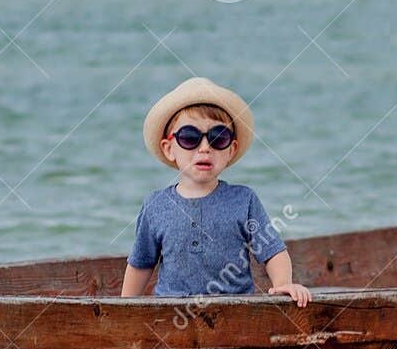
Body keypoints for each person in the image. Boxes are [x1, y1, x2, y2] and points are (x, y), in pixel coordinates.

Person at [121, 77, 311, 305]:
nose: (205, 148)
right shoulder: (156, 205)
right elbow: (140, 264)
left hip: (235, 314)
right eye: (189, 138)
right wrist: (123, 309)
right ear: (169, 148)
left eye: (218, 138)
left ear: (231, 150)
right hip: (170, 315)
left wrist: (282, 284)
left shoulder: (244, 200)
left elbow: (272, 251)